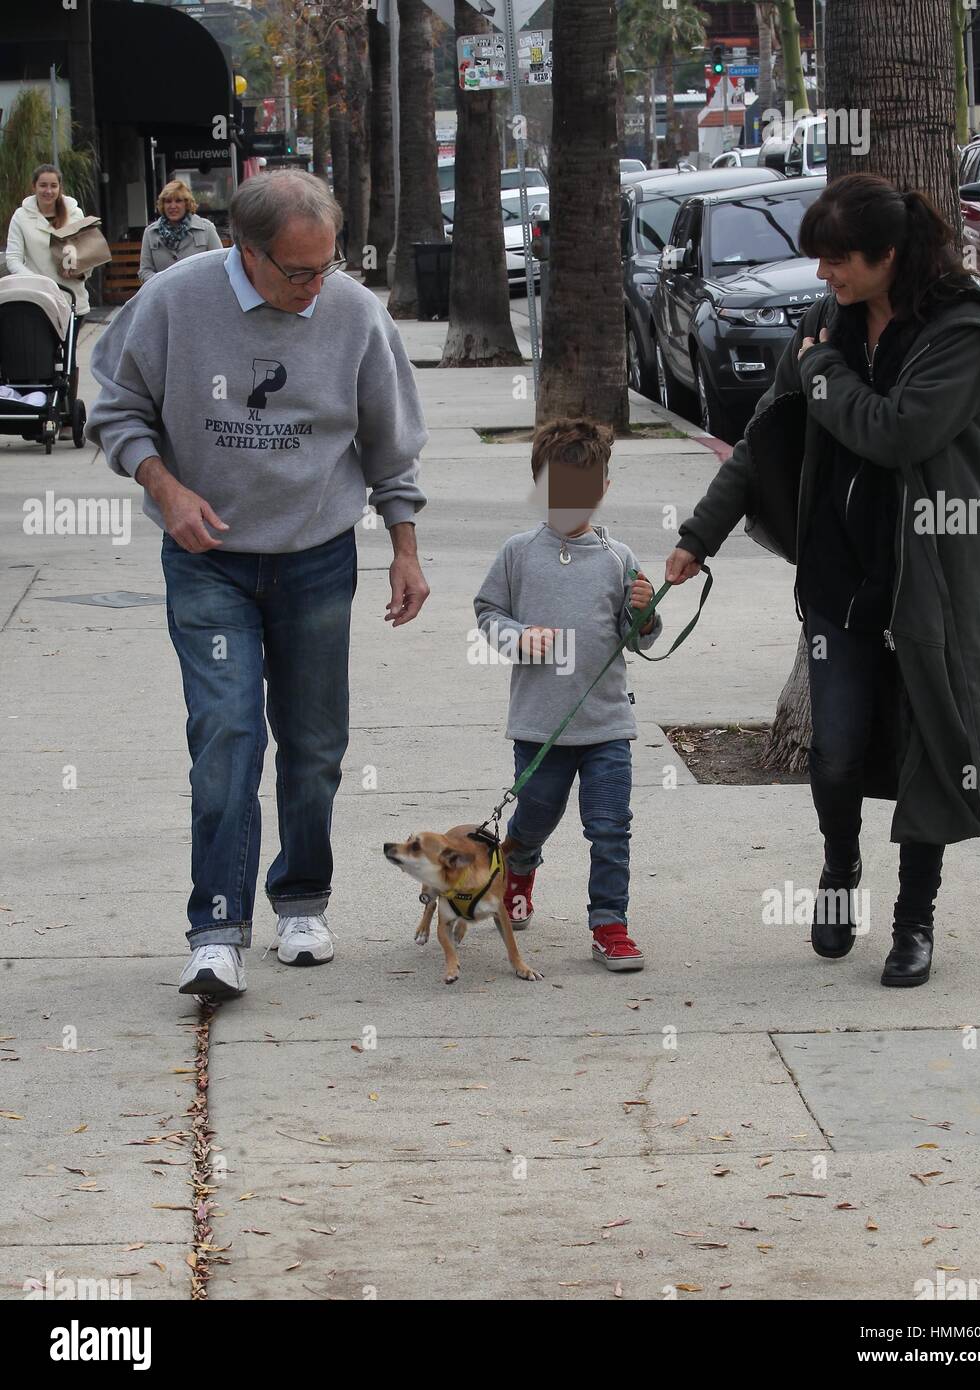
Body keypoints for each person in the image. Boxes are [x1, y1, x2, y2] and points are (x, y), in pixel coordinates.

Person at [665, 173, 980, 988]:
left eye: (837, 261)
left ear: (888, 257)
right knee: (832, 755)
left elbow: (896, 433)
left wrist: (824, 371)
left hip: (929, 582)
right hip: (840, 580)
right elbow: (767, 433)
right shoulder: (828, 319)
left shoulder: (957, 332)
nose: (823, 276)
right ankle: (839, 874)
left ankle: (914, 922)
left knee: (931, 756)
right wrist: (700, 535)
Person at [86, 168, 430, 1001]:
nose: (317, 288)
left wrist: (406, 546)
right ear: (245, 251)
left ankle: (303, 899)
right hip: (209, 562)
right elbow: (114, 409)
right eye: (299, 272)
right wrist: (166, 491)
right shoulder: (174, 300)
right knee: (227, 738)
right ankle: (215, 929)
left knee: (314, 748)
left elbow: (390, 441)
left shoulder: (352, 311)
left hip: (317, 556)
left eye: (328, 266)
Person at [474, 417, 661, 972]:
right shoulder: (518, 552)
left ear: (603, 489)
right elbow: (488, 612)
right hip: (539, 726)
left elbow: (641, 636)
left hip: (606, 726)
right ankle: (521, 865)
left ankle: (610, 923)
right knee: (532, 819)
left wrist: (644, 611)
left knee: (609, 828)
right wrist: (516, 637)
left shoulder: (617, 558)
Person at [5, 163, 91, 412]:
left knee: (67, 358)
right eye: (43, 185)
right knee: (37, 354)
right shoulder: (22, 217)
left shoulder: (74, 215)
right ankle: (33, 404)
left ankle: (65, 410)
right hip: (35, 300)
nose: (48, 191)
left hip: (71, 298)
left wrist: (78, 268)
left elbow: (88, 255)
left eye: (53, 186)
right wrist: (37, 282)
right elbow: (13, 259)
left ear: (60, 188)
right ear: (34, 187)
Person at [139, 180, 223, 284]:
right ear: (163, 205)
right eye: (168, 201)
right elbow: (145, 271)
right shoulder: (150, 233)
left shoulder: (206, 229)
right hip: (164, 296)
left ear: (187, 204)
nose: (173, 206)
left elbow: (220, 265)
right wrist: (161, 285)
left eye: (178, 201)